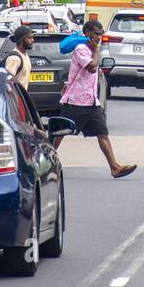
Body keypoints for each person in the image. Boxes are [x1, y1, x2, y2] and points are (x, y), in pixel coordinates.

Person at [52, 21, 136, 179]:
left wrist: (95, 51)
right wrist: (96, 52)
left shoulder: (89, 48)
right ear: (87, 33)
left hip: (91, 101)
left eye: (101, 33)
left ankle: (114, 167)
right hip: (76, 101)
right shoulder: (81, 49)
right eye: (96, 34)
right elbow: (91, 67)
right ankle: (45, 163)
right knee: (59, 134)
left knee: (102, 133)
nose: (99, 37)